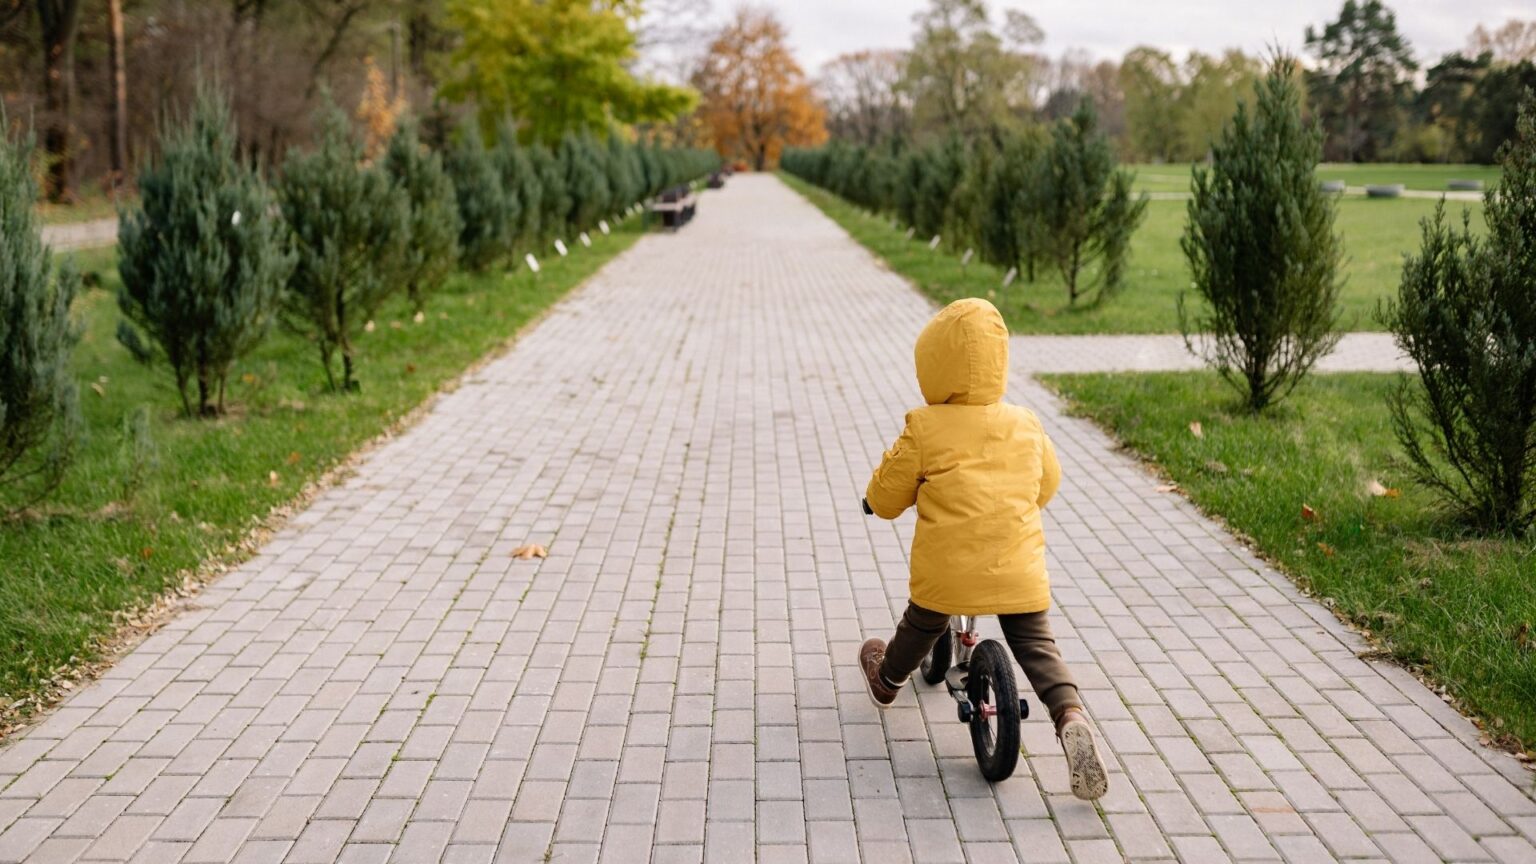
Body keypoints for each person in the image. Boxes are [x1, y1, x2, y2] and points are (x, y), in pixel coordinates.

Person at [858, 297, 1108, 800]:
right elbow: (1047, 485)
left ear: (932, 365)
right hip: (1019, 572)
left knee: (921, 623)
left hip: (948, 575)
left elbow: (887, 495)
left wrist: (873, 501)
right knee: (1038, 647)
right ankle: (1070, 716)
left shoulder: (925, 427)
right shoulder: (1025, 421)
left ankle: (887, 680)